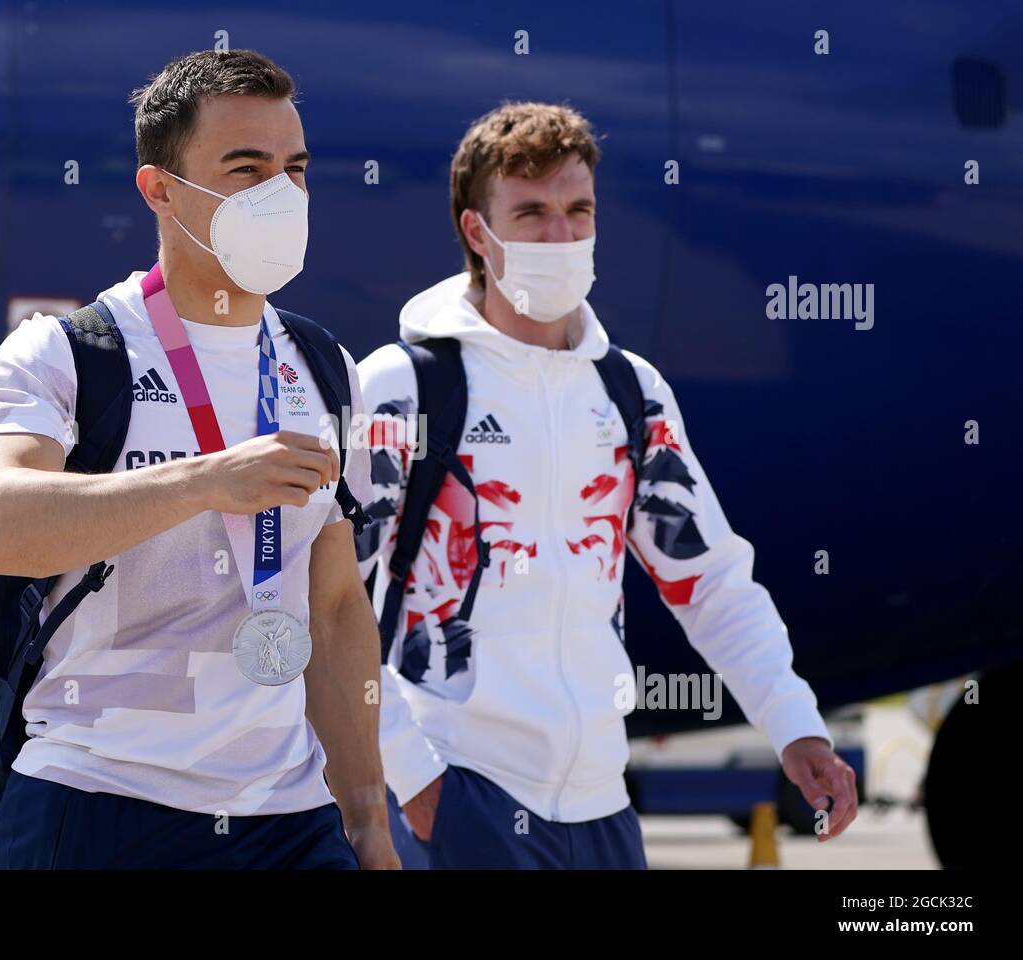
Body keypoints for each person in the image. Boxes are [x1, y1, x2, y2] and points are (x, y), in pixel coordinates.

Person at [356, 102, 858, 869]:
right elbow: (326, 601)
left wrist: (795, 725)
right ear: (476, 233)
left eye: (577, 210)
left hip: (602, 808)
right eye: (530, 213)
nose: (560, 237)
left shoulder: (631, 392)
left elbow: (711, 581)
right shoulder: (401, 387)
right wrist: (417, 782)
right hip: (458, 794)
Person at [0, 49, 397, 869]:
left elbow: (333, 608)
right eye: (246, 169)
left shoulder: (321, 364)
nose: (281, 195)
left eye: (294, 169)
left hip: (288, 817)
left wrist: (368, 817)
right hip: (98, 801)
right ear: (161, 190)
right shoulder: (68, 351)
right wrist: (200, 480)